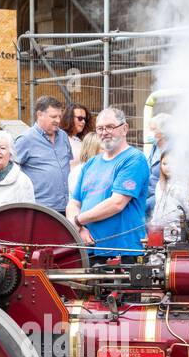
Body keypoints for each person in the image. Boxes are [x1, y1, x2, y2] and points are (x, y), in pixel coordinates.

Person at [66, 106, 150, 263]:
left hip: (122, 252)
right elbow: (73, 202)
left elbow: (117, 203)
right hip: (88, 249)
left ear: (124, 128)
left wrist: (78, 221)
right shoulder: (91, 163)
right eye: (100, 128)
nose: (104, 132)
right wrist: (79, 229)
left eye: (110, 127)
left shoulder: (134, 159)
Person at [13, 95, 72, 212]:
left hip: (67, 206)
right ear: (39, 115)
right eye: (53, 117)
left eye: (60, 116)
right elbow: (11, 169)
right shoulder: (26, 139)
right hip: (42, 208)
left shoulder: (64, 136)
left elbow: (69, 164)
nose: (58, 121)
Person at [150, 151, 189, 248]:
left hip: (176, 232)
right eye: (164, 164)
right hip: (159, 231)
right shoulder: (159, 185)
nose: (167, 167)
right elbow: (157, 208)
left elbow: (187, 210)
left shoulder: (182, 185)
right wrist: (153, 225)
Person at [144, 112, 169, 216]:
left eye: (153, 129)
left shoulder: (171, 152)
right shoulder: (155, 147)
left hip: (159, 202)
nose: (150, 133)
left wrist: (146, 205)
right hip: (148, 196)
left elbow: (168, 188)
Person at [68, 132, 101, 199]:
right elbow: (77, 198)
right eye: (102, 148)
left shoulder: (103, 169)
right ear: (93, 149)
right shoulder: (78, 172)